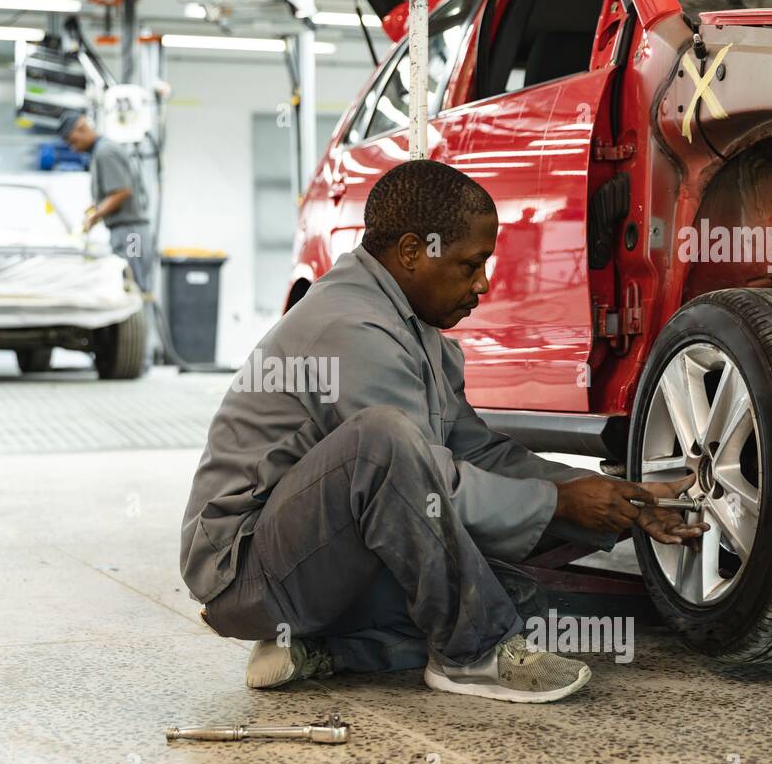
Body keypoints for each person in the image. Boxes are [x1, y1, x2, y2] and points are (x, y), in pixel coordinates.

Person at [180, 160, 707, 703]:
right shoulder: (350, 327)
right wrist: (561, 505)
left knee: (515, 595)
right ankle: (472, 655)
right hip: (244, 572)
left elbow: (477, 450)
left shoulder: (416, 327)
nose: (483, 283)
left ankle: (325, 648)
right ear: (413, 252)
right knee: (381, 442)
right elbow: (422, 480)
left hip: (318, 557)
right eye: (470, 264)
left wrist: (603, 496)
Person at [63, 114, 154, 294]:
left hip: (131, 235)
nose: (74, 149)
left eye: (73, 142)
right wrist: (95, 208)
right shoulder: (102, 151)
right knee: (129, 283)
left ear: (82, 128)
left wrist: (94, 217)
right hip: (127, 231)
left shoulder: (105, 151)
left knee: (133, 283)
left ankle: (141, 322)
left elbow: (122, 191)